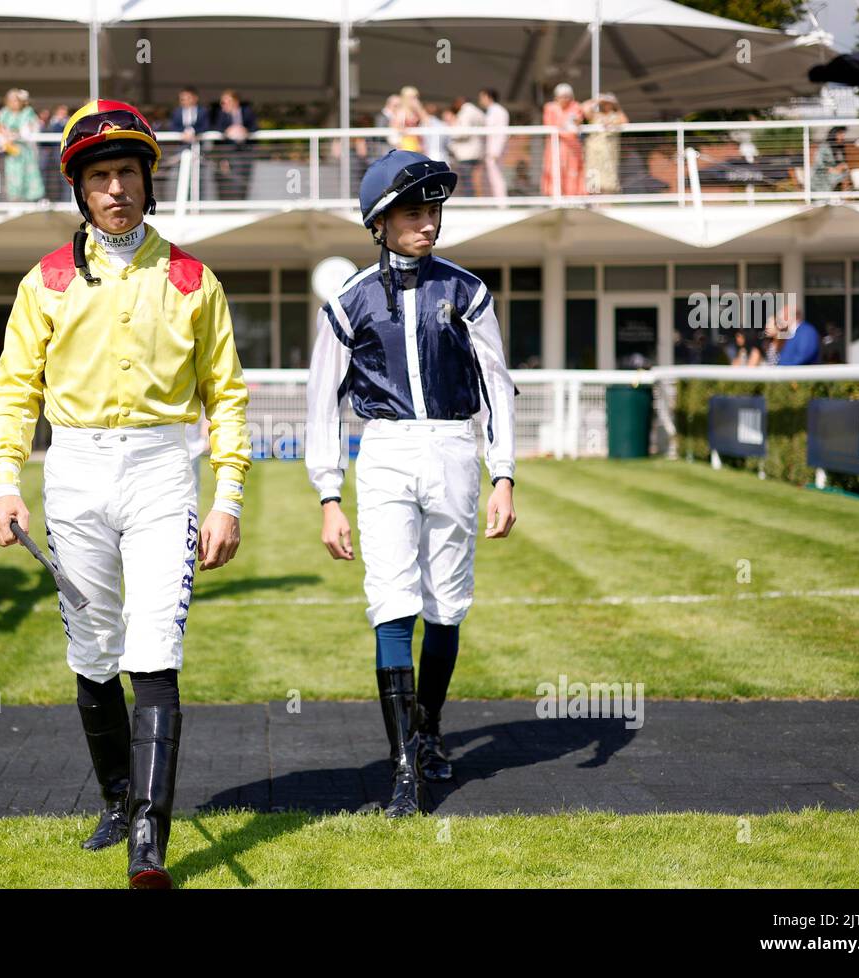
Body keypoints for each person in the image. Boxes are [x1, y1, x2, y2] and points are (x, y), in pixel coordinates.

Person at [0, 98, 250, 888]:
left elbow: (225, 396)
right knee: (94, 650)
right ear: (81, 189)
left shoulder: (195, 278)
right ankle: (115, 799)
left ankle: (149, 842)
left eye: (127, 172)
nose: (115, 189)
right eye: (99, 176)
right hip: (74, 472)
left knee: (155, 648)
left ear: (147, 180)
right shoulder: (47, 282)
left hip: (165, 469)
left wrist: (228, 495)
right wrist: (5, 483)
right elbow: (15, 392)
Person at [305, 149, 517, 818]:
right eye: (412, 213)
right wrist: (328, 496)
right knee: (390, 597)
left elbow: (500, 390)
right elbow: (321, 405)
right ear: (380, 221)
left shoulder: (469, 292)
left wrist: (503, 475)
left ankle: (427, 730)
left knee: (446, 605)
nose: (427, 223)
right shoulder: (349, 303)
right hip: (387, 451)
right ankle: (404, 770)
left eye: (433, 211)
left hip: (455, 446)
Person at [0, 88, 45, 202]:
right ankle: (15, 202)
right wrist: (6, 137)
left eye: (17, 100)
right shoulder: (4, 113)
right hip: (11, 151)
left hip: (26, 150)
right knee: (13, 177)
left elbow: (31, 128)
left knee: (28, 176)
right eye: (12, 100)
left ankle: (30, 202)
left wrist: (17, 134)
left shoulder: (28, 112)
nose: (15, 103)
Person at [541, 83, 585, 197]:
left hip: (571, 149)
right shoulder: (549, 107)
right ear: (556, 97)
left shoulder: (575, 106)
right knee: (554, 171)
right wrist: (564, 129)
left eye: (567, 96)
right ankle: (555, 197)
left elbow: (576, 123)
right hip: (555, 147)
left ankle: (573, 196)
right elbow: (549, 125)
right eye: (562, 96)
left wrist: (563, 129)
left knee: (572, 172)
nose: (565, 99)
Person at [582, 92, 627, 195]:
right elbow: (584, 109)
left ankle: (606, 206)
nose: (606, 105)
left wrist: (616, 110)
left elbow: (624, 121)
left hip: (609, 155)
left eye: (609, 103)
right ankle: (594, 206)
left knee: (608, 183)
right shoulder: (596, 116)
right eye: (605, 103)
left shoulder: (616, 116)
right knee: (593, 183)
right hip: (594, 154)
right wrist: (596, 100)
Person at [446, 95, 486, 194]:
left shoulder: (465, 112)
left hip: (466, 153)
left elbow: (463, 132)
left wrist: (451, 133)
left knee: (467, 179)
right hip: (477, 151)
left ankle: (469, 200)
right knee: (474, 179)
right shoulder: (477, 112)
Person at [477, 87, 510, 198]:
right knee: (491, 177)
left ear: (487, 97)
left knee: (497, 176)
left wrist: (496, 151)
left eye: (482, 97)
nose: (480, 100)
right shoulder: (492, 111)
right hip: (491, 150)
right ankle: (496, 200)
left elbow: (501, 132)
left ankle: (501, 201)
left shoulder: (499, 111)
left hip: (496, 151)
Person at [811, 126, 849, 195]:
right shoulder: (824, 146)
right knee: (840, 175)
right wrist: (830, 169)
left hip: (837, 171)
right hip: (823, 172)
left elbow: (843, 161)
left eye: (843, 133)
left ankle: (844, 198)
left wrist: (843, 166)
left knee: (845, 173)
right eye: (840, 133)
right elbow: (818, 163)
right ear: (834, 134)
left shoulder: (840, 147)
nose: (843, 136)